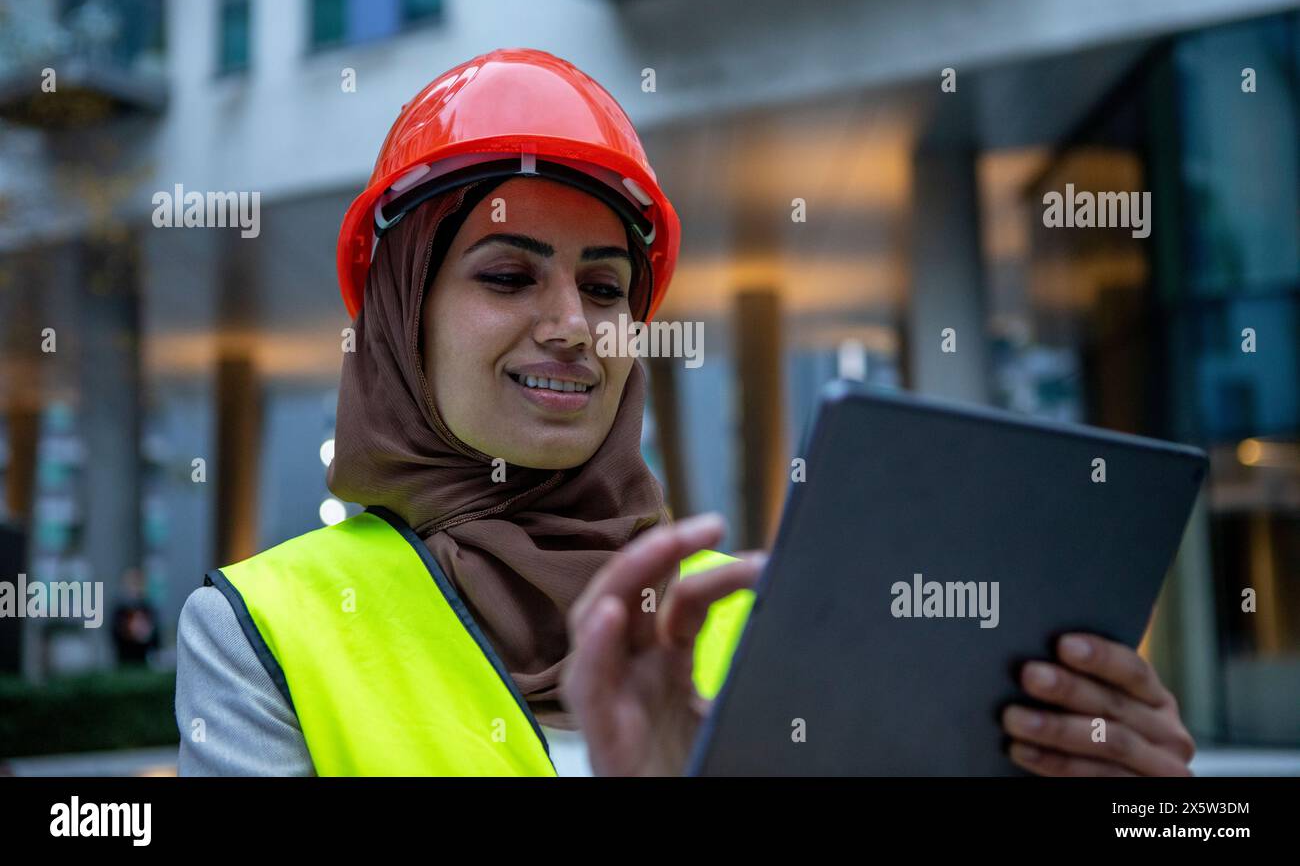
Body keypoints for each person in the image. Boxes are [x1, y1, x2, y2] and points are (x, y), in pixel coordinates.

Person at [174, 48, 1196, 777]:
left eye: (607, 287)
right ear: (404, 321)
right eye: (508, 274)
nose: (573, 324)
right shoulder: (263, 629)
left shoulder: (756, 614)